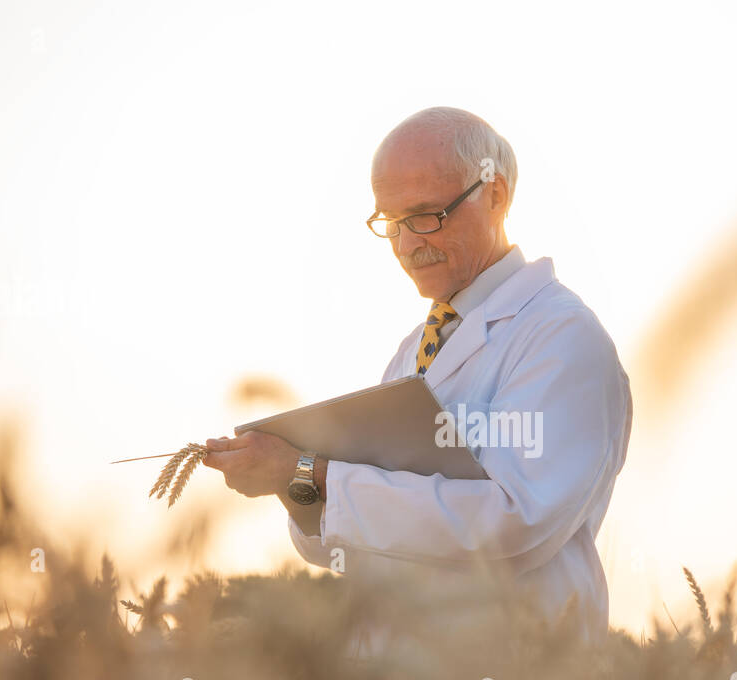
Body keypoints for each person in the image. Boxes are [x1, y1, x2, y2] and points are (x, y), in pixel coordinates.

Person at [203, 107, 632, 647]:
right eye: (391, 222)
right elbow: (355, 544)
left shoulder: (562, 336)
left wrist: (314, 474)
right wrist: (291, 482)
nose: (407, 245)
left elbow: (515, 524)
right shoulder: (416, 348)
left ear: (494, 194)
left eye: (428, 215)